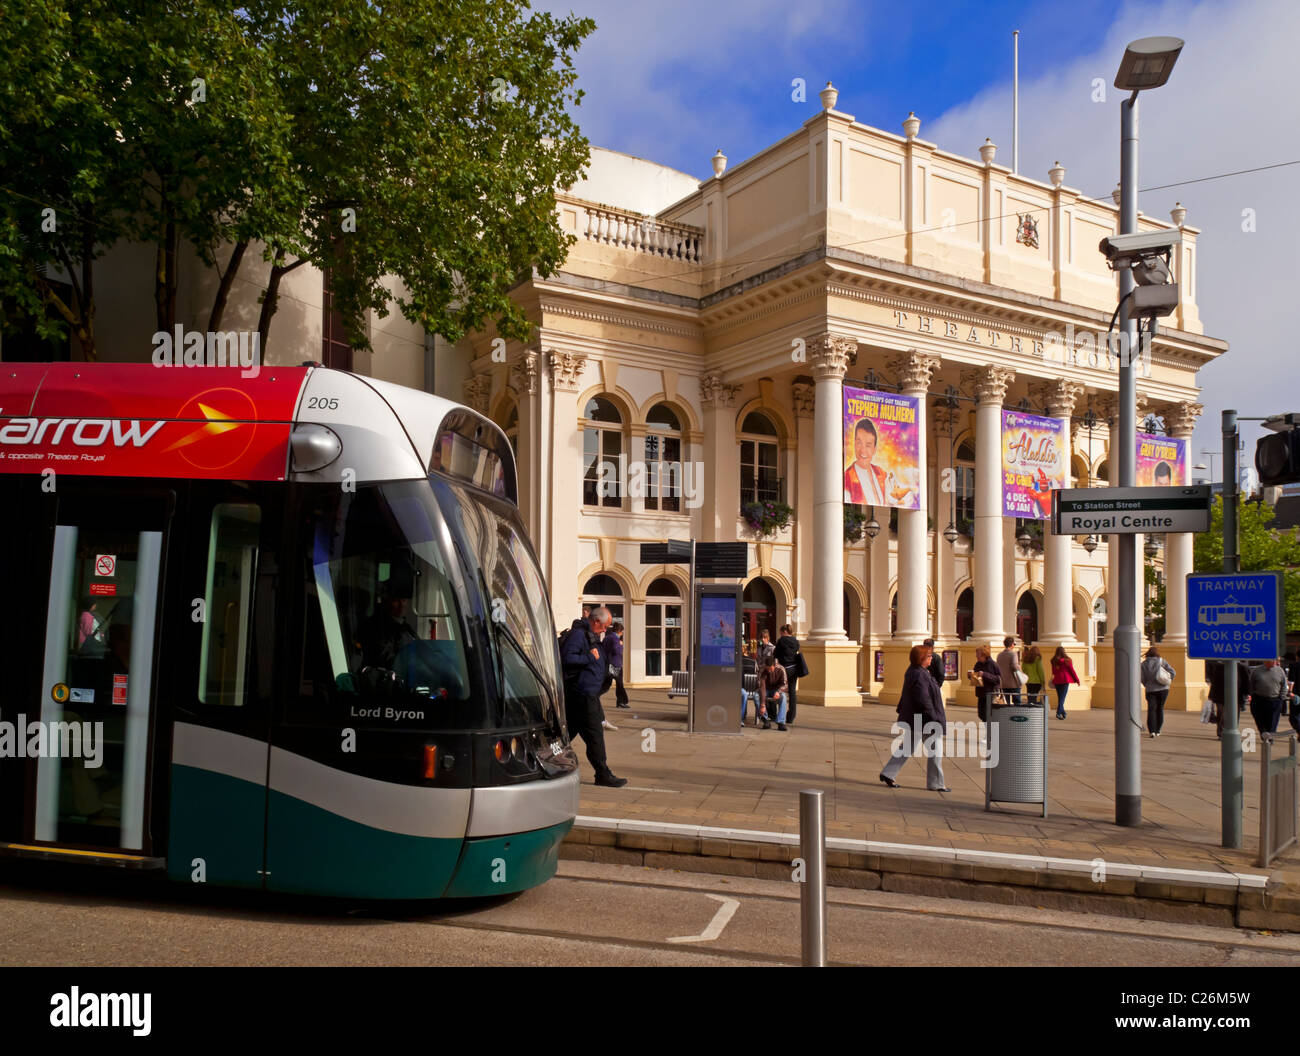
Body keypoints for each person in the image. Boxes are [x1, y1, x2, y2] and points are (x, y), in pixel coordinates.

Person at [560, 605, 626, 787]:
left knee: (565, 734)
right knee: (594, 735)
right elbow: (568, 659)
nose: (606, 630)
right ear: (596, 621)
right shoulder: (578, 635)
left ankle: (547, 760)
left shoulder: (591, 635)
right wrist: (590, 658)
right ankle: (602, 773)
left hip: (587, 695)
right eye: (605, 626)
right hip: (582, 694)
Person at [879, 644, 948, 791]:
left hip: (916, 719)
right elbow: (923, 699)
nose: (932, 658)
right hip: (925, 720)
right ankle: (936, 783)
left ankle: (888, 773)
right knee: (935, 751)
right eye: (929, 656)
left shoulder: (918, 671)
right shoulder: (919, 674)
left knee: (908, 747)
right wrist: (934, 718)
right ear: (922, 658)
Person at [843, 418, 913, 506]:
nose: (863, 450)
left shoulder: (881, 473)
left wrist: (902, 500)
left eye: (868, 445)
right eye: (859, 443)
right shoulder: (847, 479)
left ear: (874, 449)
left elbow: (904, 494)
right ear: (854, 444)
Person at [357, 572, 418, 671]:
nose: (401, 605)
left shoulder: (406, 628)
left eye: (403, 600)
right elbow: (385, 659)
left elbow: (421, 651)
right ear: (385, 601)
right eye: (395, 600)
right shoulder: (373, 627)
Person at [1139, 645, 1176, 737]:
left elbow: (1141, 678)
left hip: (1150, 690)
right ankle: (1158, 730)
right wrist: (1168, 680)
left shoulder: (1143, 664)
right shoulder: (1162, 661)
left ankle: (1152, 731)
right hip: (1163, 689)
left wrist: (1147, 684)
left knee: (1151, 709)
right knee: (1160, 708)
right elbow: (1173, 672)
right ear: (1156, 653)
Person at [1249, 658, 1289, 738]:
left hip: (1275, 700)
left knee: (1272, 723)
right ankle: (1263, 734)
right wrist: (1251, 695)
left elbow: (1284, 685)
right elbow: (1250, 684)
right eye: (1273, 660)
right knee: (1260, 721)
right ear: (1265, 661)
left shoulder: (1280, 671)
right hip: (1259, 700)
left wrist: (1281, 698)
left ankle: (1270, 738)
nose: (1275, 662)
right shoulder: (1257, 671)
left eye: (1276, 661)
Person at [774, 624, 802, 725]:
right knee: (792, 692)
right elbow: (796, 650)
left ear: (785, 631)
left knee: (779, 689)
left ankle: (776, 714)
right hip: (794, 669)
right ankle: (791, 716)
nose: (780, 634)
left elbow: (775, 654)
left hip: (784, 669)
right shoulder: (795, 641)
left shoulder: (781, 640)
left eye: (781, 632)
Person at [968, 644, 1001, 722]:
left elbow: (998, 679)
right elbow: (975, 677)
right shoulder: (978, 664)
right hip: (981, 693)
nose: (976, 656)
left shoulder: (993, 664)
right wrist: (971, 676)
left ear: (984, 655)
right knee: (981, 714)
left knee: (988, 715)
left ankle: (991, 732)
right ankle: (988, 731)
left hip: (990, 693)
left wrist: (984, 674)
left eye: (978, 654)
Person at [757, 654, 789, 730]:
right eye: (767, 669)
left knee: (783, 697)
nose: (769, 670)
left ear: (774, 665)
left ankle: (780, 722)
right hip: (766, 690)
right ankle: (765, 720)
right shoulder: (762, 670)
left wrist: (778, 691)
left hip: (776, 690)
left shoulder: (781, 669)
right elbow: (762, 686)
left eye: (770, 669)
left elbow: (785, 684)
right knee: (756, 696)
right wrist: (762, 705)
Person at [1050, 645, 1081, 720]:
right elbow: (1072, 671)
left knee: (1060, 697)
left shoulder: (1054, 661)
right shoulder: (1067, 660)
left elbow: (1053, 672)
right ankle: (1058, 712)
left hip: (1057, 680)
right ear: (1064, 652)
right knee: (1062, 698)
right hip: (1065, 680)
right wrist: (1077, 680)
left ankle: (1063, 712)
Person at [996, 636, 1023, 705]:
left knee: (1006, 702)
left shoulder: (999, 655)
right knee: (1017, 702)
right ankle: (1016, 715)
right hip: (1013, 683)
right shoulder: (1013, 654)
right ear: (1012, 644)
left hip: (1003, 682)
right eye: (1014, 644)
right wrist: (1020, 670)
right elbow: (1014, 665)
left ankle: (1007, 715)